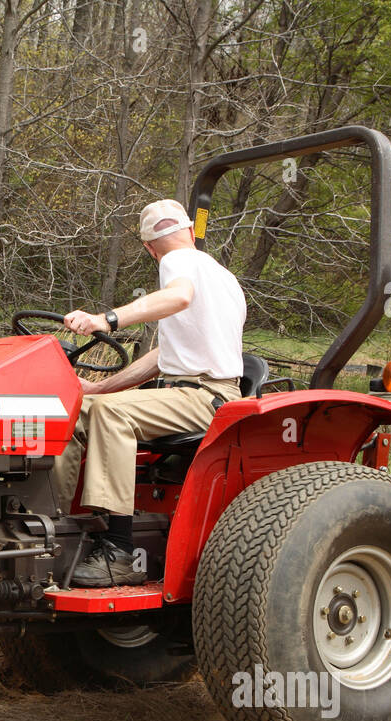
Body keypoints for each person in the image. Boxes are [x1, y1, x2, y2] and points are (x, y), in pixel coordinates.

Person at [53, 198, 246, 587]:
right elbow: (164, 356)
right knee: (77, 408)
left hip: (205, 397)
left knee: (111, 414)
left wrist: (104, 318)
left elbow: (178, 297)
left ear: (148, 247)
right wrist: (98, 388)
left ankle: (117, 550)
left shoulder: (178, 264)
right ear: (190, 231)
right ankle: (56, 525)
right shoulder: (225, 278)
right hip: (200, 393)